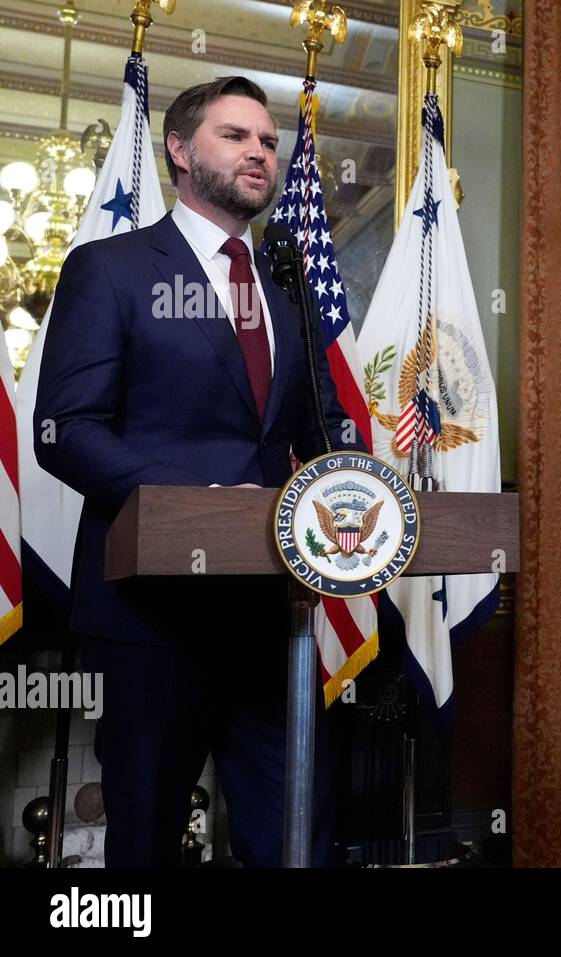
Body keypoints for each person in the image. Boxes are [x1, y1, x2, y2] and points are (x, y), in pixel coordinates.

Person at [34, 76, 358, 867]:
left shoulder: (287, 289)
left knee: (294, 838)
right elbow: (64, 430)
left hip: (268, 614)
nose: (260, 152)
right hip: (150, 617)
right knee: (143, 841)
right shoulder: (110, 268)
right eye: (236, 136)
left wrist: (363, 494)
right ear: (180, 151)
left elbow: (318, 433)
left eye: (269, 141)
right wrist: (200, 507)